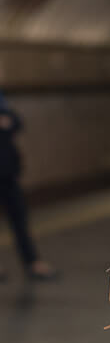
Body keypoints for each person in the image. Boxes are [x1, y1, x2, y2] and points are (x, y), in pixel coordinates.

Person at [0, 90, 56, 283]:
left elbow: (15, 121)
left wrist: (7, 122)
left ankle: (33, 262)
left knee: (20, 218)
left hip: (7, 171)